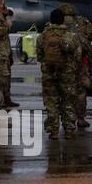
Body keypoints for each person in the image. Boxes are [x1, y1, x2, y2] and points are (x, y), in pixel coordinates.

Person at [36, 8, 80, 139]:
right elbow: (77, 55)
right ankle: (69, 130)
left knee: (51, 102)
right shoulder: (71, 35)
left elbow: (39, 56)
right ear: (63, 20)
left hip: (48, 73)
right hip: (67, 73)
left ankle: (53, 131)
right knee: (68, 101)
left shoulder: (43, 36)